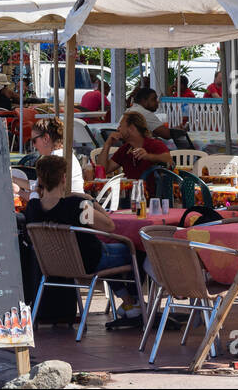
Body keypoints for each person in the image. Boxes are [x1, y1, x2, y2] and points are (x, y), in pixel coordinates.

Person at [24, 155, 142, 326]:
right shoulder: (78, 205)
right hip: (89, 262)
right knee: (135, 250)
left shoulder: (34, 208)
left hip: (53, 265)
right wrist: (91, 201)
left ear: (40, 179)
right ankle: (136, 302)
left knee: (111, 254)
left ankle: (129, 301)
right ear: (64, 178)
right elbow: (109, 226)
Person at [93, 111, 171, 181]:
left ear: (131, 129)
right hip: (131, 194)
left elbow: (169, 161)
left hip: (154, 196)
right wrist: (107, 144)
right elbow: (103, 170)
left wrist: (148, 156)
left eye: (120, 126)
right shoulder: (124, 149)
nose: (117, 129)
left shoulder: (154, 144)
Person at [31, 116, 85, 193]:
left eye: (34, 141)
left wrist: (19, 192)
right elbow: (36, 186)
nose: (33, 145)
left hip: (66, 203)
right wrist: (13, 179)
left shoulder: (54, 160)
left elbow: (41, 195)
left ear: (46, 138)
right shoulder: (64, 154)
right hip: (75, 202)